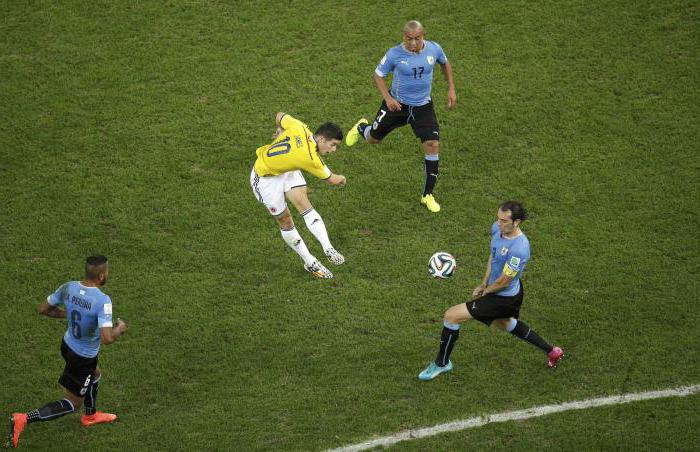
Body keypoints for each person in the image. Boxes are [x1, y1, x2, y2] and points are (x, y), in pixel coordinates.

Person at [418, 201, 564, 381]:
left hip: (503, 297)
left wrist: (486, 291)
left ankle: (442, 363)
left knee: (451, 316)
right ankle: (552, 351)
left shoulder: (520, 249)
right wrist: (483, 282)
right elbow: (493, 255)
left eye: (504, 221)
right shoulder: (497, 229)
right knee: (505, 324)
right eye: (498, 219)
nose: (499, 223)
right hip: (500, 292)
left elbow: (504, 281)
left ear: (516, 222)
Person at [7, 256, 127, 448]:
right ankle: (24, 418)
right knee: (72, 403)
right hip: (83, 357)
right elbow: (107, 338)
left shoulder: (69, 287)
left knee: (95, 373)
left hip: (67, 345)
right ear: (102, 274)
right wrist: (119, 329)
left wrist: (69, 314)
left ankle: (91, 415)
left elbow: (43, 309)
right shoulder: (103, 301)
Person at [345, 20, 456, 213]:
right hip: (397, 105)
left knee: (432, 145)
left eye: (417, 38)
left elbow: (445, 64)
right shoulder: (394, 54)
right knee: (373, 139)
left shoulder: (434, 49)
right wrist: (387, 98)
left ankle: (427, 195)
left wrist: (451, 88)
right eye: (408, 38)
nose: (412, 43)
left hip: (423, 107)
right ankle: (362, 128)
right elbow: (378, 75)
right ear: (403, 36)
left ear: (423, 35)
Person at [250, 112, 346, 279]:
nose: (333, 150)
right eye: (332, 145)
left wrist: (281, 130)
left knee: (303, 202)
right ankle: (309, 261)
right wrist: (343, 179)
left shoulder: (300, 127)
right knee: (285, 219)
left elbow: (280, 115)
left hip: (286, 168)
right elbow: (333, 180)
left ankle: (327, 247)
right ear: (321, 139)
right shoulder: (310, 158)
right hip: (265, 178)